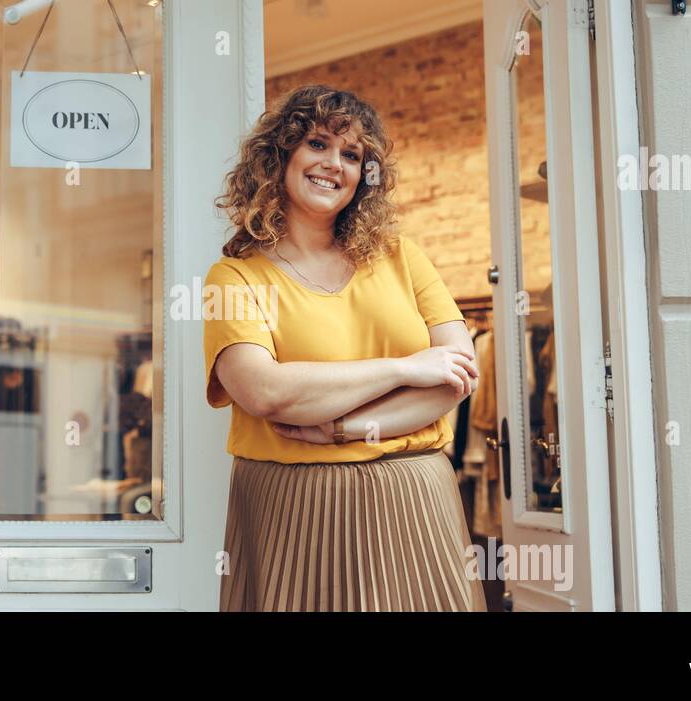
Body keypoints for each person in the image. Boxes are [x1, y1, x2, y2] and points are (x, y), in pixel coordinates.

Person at [204, 84, 484, 612]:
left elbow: (456, 375)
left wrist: (341, 428)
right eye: (317, 144)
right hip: (292, 505)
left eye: (351, 154)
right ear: (278, 157)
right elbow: (264, 391)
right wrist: (406, 368)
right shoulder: (233, 278)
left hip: (413, 498)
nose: (334, 163)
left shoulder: (402, 256)